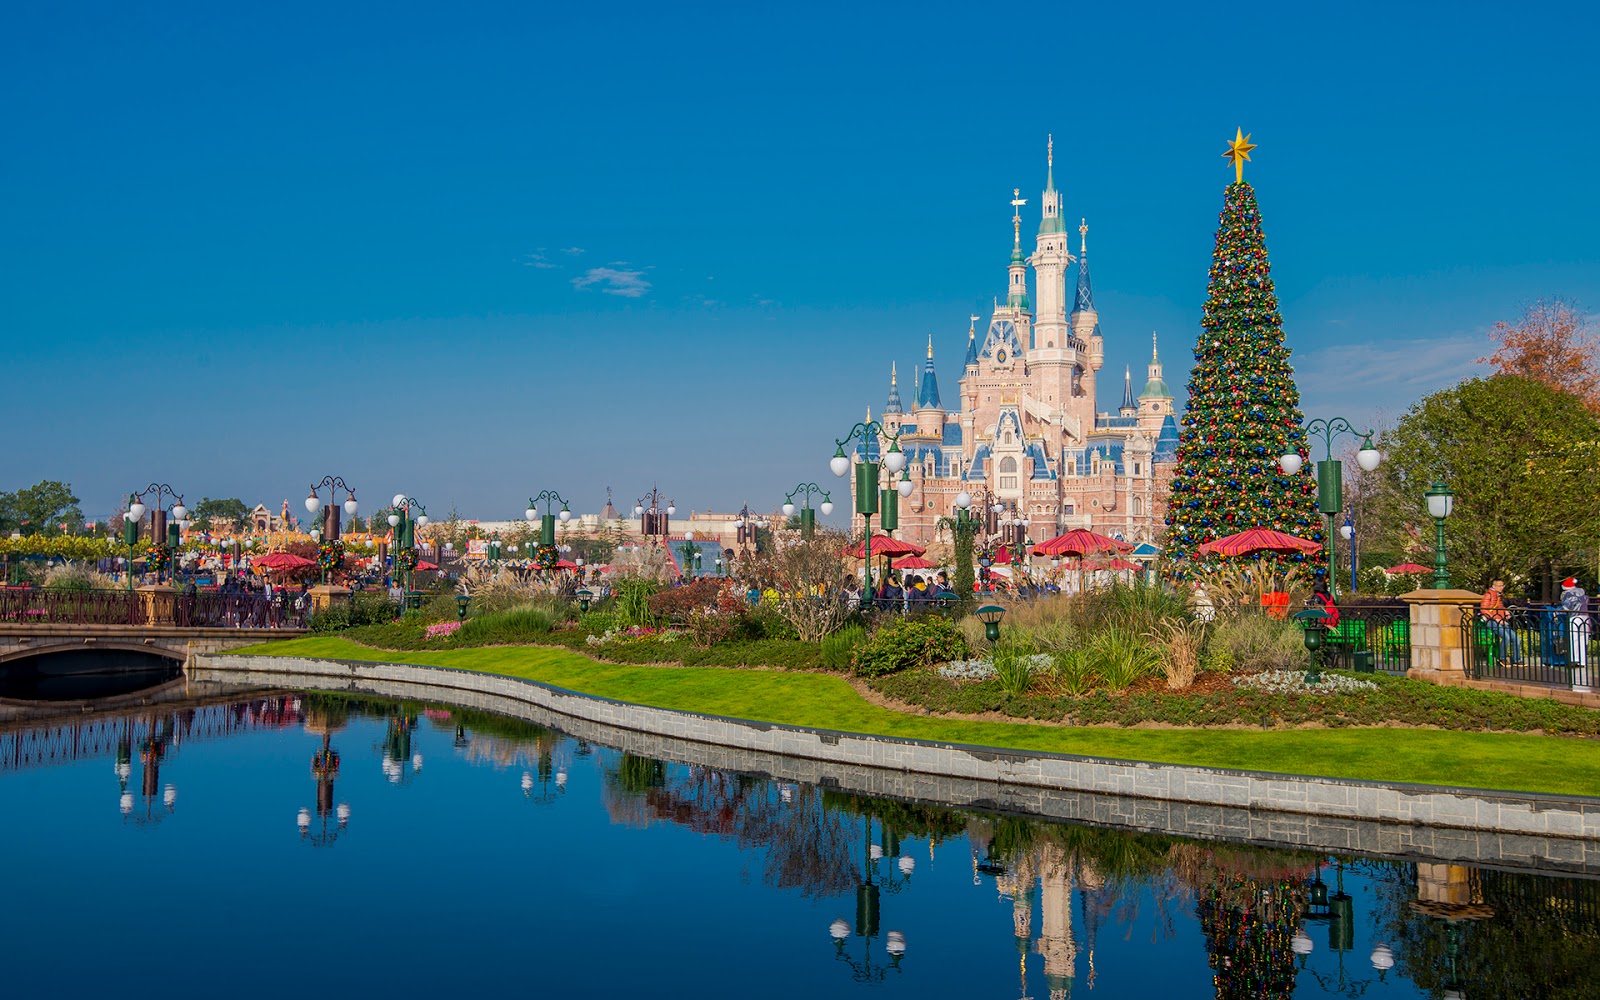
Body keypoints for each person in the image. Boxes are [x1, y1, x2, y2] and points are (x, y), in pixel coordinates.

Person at [1481, 579, 1523, 664]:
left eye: (1502, 586)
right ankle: (1502, 658)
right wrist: (1495, 619)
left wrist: (1505, 611)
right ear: (1494, 586)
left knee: (1516, 638)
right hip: (1492, 621)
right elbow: (1484, 609)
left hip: (1500, 620)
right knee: (1506, 637)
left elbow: (1500, 606)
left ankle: (1517, 660)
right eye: (1499, 586)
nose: (1502, 587)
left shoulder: (1498, 595)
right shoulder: (1488, 595)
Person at [1561, 577, 1590, 673]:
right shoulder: (1582, 593)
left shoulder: (1568, 594)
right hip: (1585, 617)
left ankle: (1574, 659)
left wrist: (1557, 612)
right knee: (1583, 639)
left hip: (1575, 617)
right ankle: (1583, 661)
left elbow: (1566, 607)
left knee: (1574, 638)